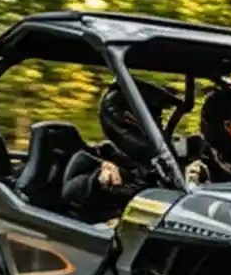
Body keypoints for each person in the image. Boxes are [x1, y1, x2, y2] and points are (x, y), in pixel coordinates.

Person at [61, 78, 178, 224]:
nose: (158, 124)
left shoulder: (158, 161)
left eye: (158, 117)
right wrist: (99, 180)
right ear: (127, 118)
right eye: (153, 117)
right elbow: (73, 194)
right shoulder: (93, 159)